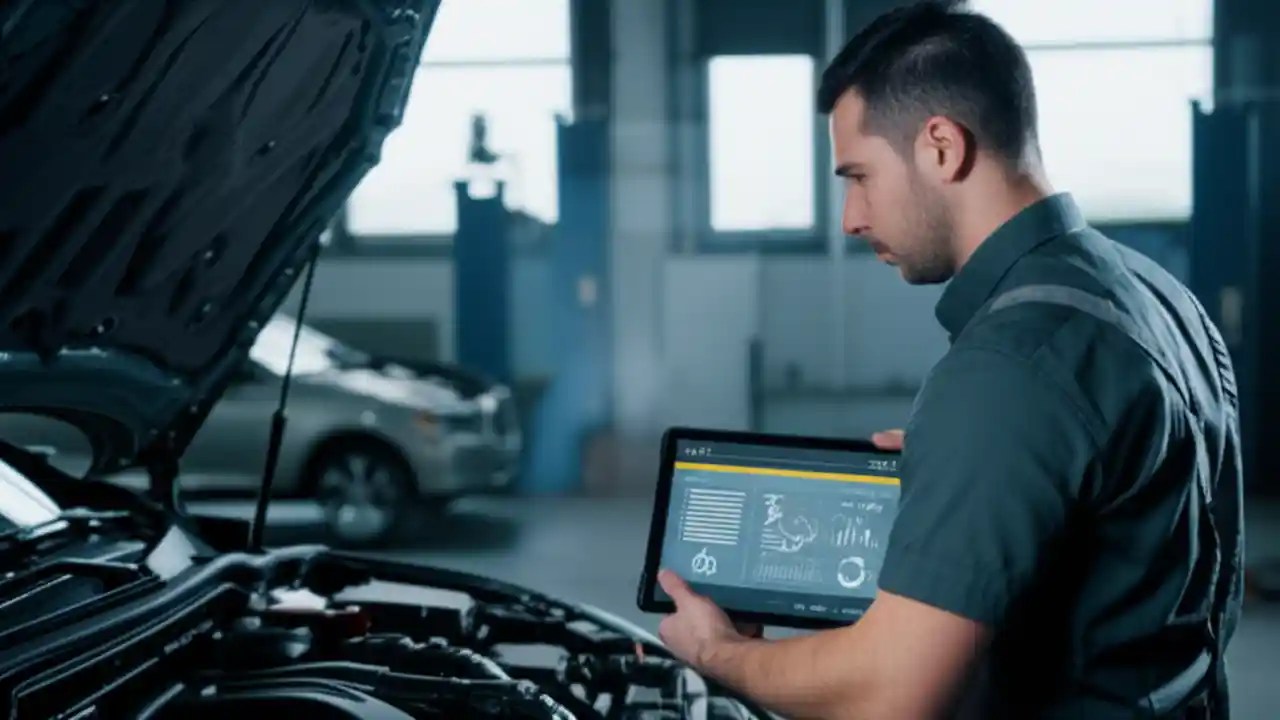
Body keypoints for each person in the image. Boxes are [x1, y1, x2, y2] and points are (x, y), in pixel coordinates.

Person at [654, 1, 1245, 718]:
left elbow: (890, 695)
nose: (851, 217)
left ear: (940, 146)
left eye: (859, 176)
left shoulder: (1009, 365)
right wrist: (975, 468)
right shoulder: (1160, 296)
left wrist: (717, 651)